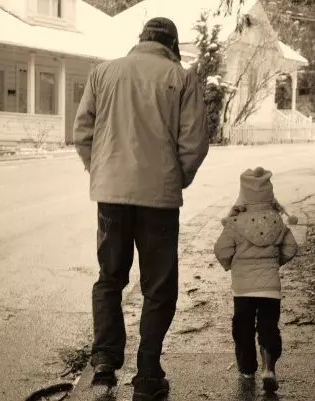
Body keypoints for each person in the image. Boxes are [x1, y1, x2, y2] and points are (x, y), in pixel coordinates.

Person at [73, 17, 209, 401]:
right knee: (159, 288)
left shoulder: (104, 73)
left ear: (141, 40)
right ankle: (148, 375)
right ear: (173, 45)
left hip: (111, 194)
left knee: (109, 277)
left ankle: (104, 362)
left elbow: (83, 132)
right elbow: (194, 143)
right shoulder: (181, 78)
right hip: (159, 200)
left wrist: (100, 171)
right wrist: (173, 178)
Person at [214, 167, 298, 394]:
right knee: (268, 327)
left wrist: (231, 264)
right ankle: (268, 368)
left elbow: (221, 249)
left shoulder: (234, 222)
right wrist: (276, 262)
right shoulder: (277, 222)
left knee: (243, 327)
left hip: (242, 290)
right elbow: (291, 247)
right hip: (270, 289)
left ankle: (247, 367)